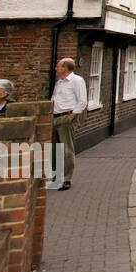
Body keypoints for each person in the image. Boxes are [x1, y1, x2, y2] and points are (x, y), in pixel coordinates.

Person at [51, 57, 88, 190]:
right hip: (55, 117)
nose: (56, 68)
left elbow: (82, 101)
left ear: (65, 68)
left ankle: (66, 179)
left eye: (58, 66)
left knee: (66, 149)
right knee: (54, 149)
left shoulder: (77, 81)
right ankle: (55, 178)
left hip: (67, 118)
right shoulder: (60, 82)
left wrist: (71, 117)